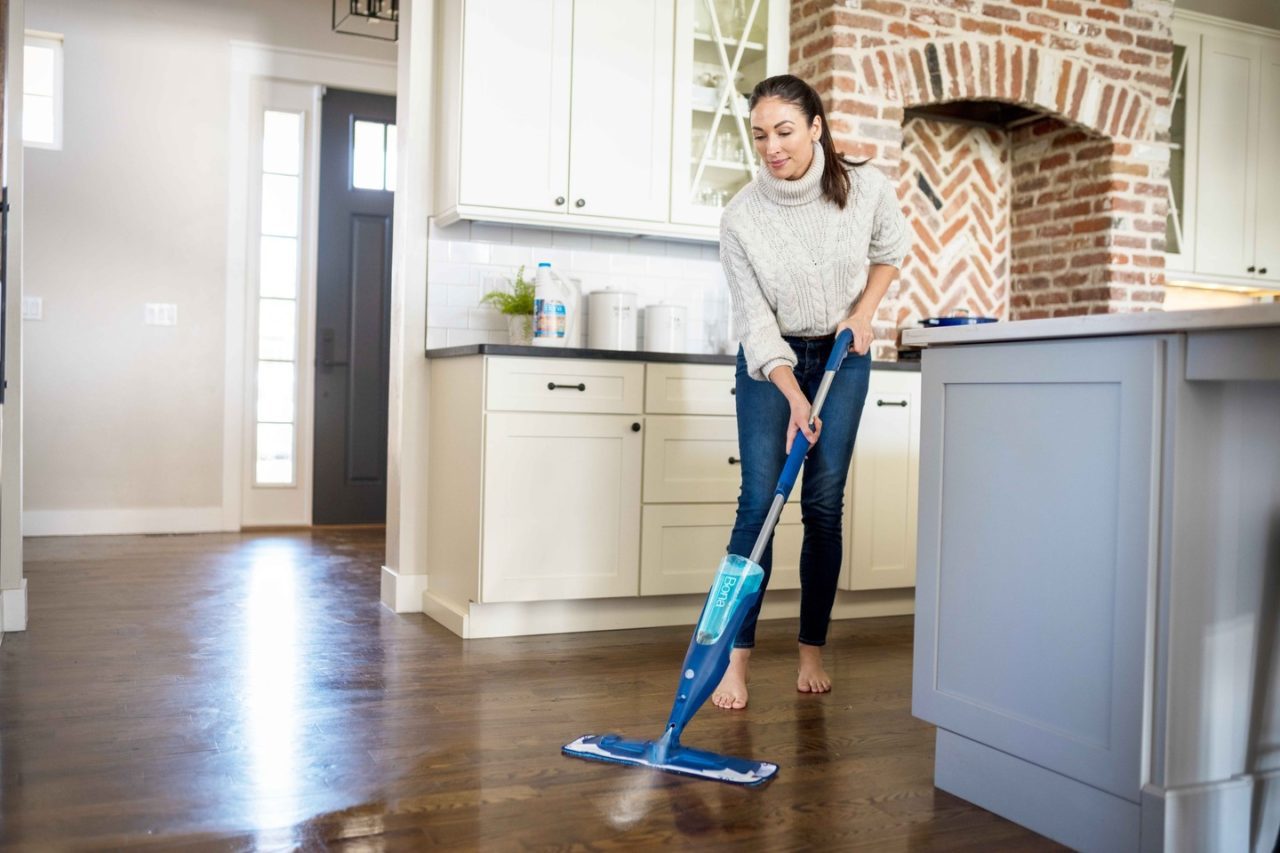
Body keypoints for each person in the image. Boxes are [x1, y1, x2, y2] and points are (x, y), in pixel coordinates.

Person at [711, 74, 910, 710]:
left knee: (823, 506)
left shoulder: (865, 186)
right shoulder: (741, 217)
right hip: (772, 363)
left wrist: (865, 313)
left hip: (844, 353)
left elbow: (890, 250)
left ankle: (810, 651)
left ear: (816, 126)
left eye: (785, 131)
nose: (772, 147)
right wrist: (793, 394)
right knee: (760, 506)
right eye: (761, 135)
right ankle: (733, 663)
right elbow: (755, 320)